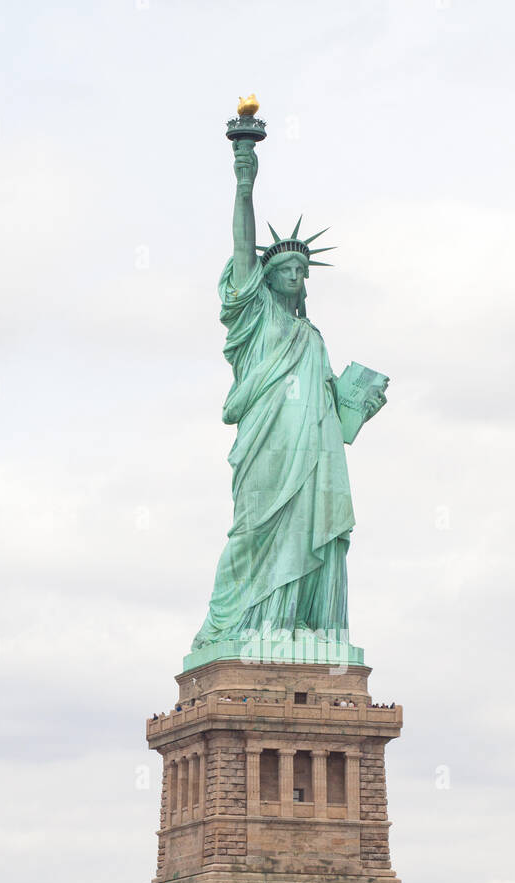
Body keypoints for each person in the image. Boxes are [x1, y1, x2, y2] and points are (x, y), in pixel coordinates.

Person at [190, 131, 386, 657]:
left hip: (314, 455)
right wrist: (244, 177)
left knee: (305, 529)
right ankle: (240, 625)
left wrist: (357, 405)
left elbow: (333, 418)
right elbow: (240, 246)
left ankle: (295, 623)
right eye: (286, 270)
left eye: (303, 271)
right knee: (253, 530)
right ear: (266, 278)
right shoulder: (255, 319)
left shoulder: (313, 338)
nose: (296, 277)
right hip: (267, 444)